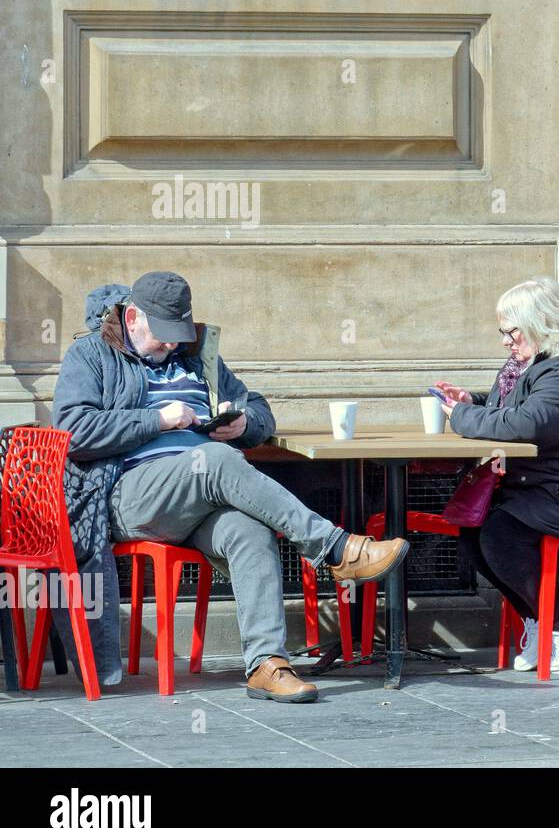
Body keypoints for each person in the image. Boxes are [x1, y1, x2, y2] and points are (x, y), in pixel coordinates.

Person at [53, 272, 410, 703]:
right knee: (217, 460)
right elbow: (74, 431)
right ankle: (335, 549)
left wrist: (243, 423)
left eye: (177, 336)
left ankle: (266, 664)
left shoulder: (196, 357)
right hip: (129, 495)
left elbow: (258, 407)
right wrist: (158, 419)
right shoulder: (90, 354)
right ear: (132, 317)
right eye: (163, 336)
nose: (171, 345)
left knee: (249, 528)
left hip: (201, 497)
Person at [432, 276, 559, 675]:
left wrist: (463, 417)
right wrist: (476, 401)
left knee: (501, 535)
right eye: (502, 332)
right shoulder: (531, 366)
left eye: (511, 330)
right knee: (473, 536)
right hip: (540, 487)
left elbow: (530, 423)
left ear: (540, 321)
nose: (505, 341)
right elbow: (519, 409)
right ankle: (541, 619)